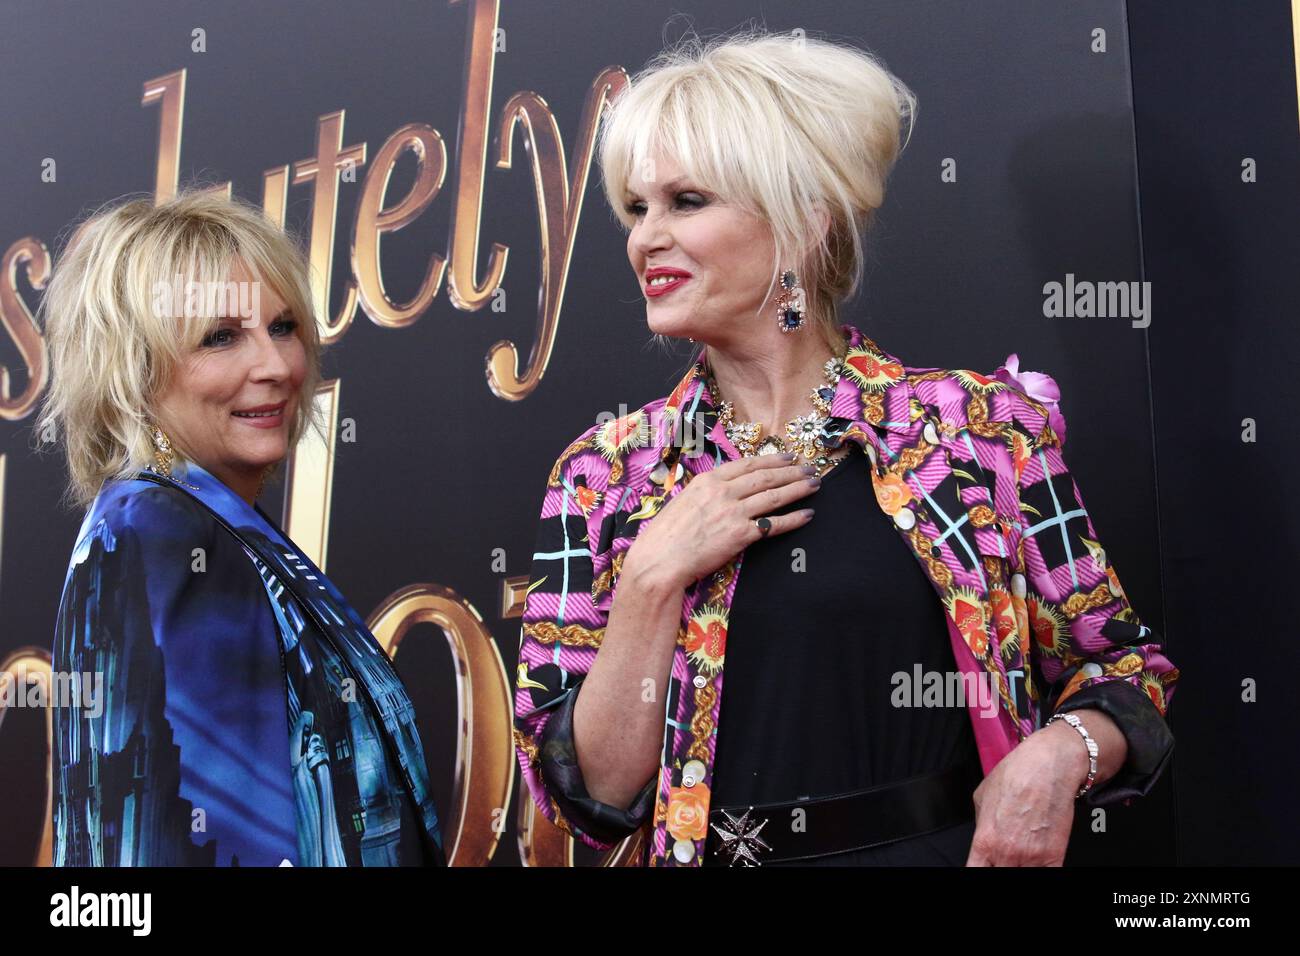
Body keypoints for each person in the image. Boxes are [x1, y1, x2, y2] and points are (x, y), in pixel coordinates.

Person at [513, 29, 1178, 867]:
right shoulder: (605, 473)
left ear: (801, 221)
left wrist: (1057, 755)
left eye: (686, 201)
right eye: (635, 208)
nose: (645, 237)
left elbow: (1124, 670)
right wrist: (651, 579)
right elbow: (595, 799)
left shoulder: (975, 433)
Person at [39, 190, 444, 866]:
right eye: (220, 337)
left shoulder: (202, 525)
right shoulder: (163, 531)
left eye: (282, 327)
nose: (278, 367)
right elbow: (221, 840)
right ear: (132, 371)